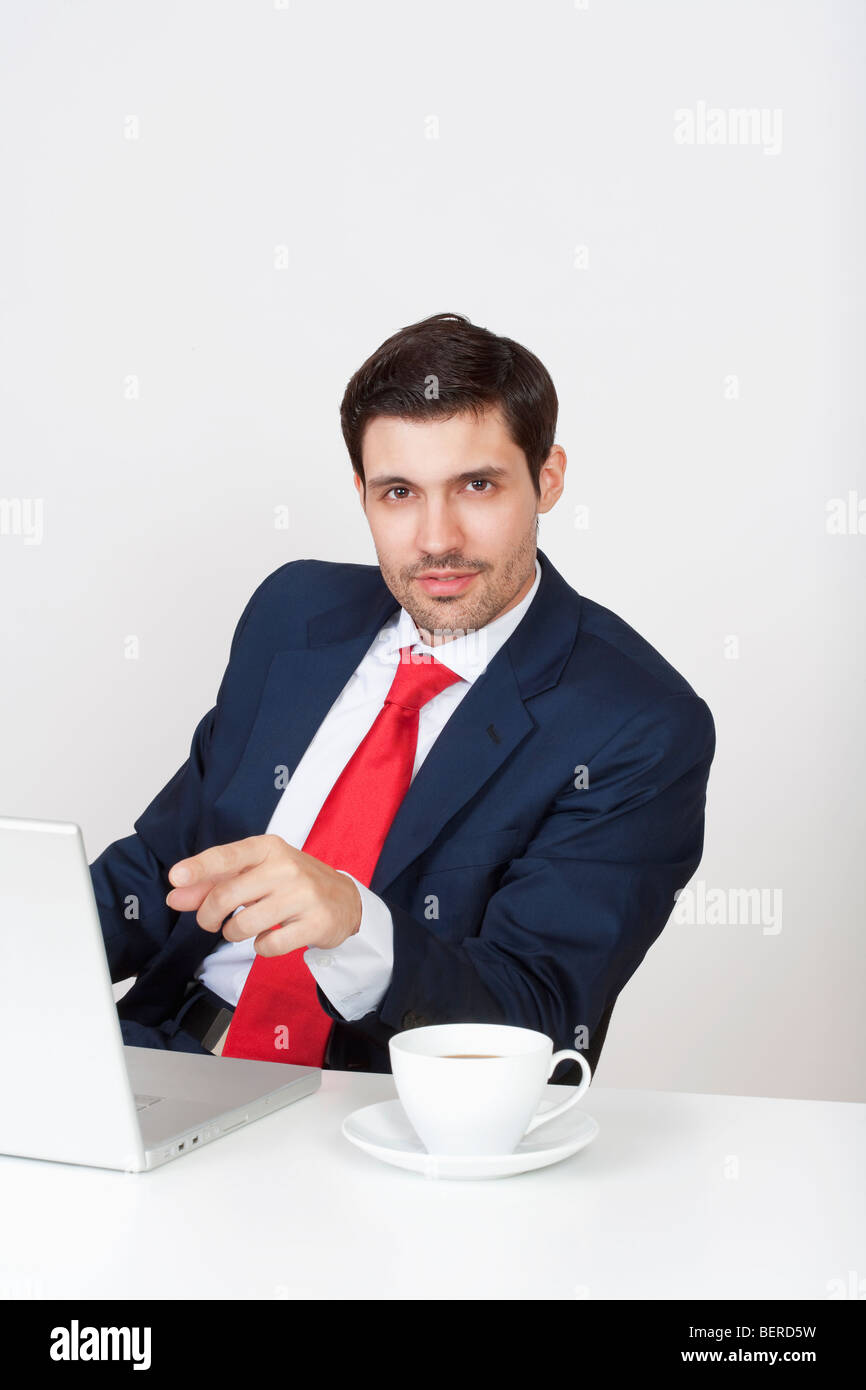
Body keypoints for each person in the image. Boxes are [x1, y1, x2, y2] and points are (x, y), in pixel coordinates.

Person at [90, 311, 715, 1087]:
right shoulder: (293, 614)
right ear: (361, 493)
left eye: (477, 485)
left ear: (547, 478)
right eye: (398, 493)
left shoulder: (636, 724)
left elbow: (540, 1016)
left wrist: (356, 924)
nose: (435, 538)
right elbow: (161, 867)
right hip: (164, 1058)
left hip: (384, 1113)